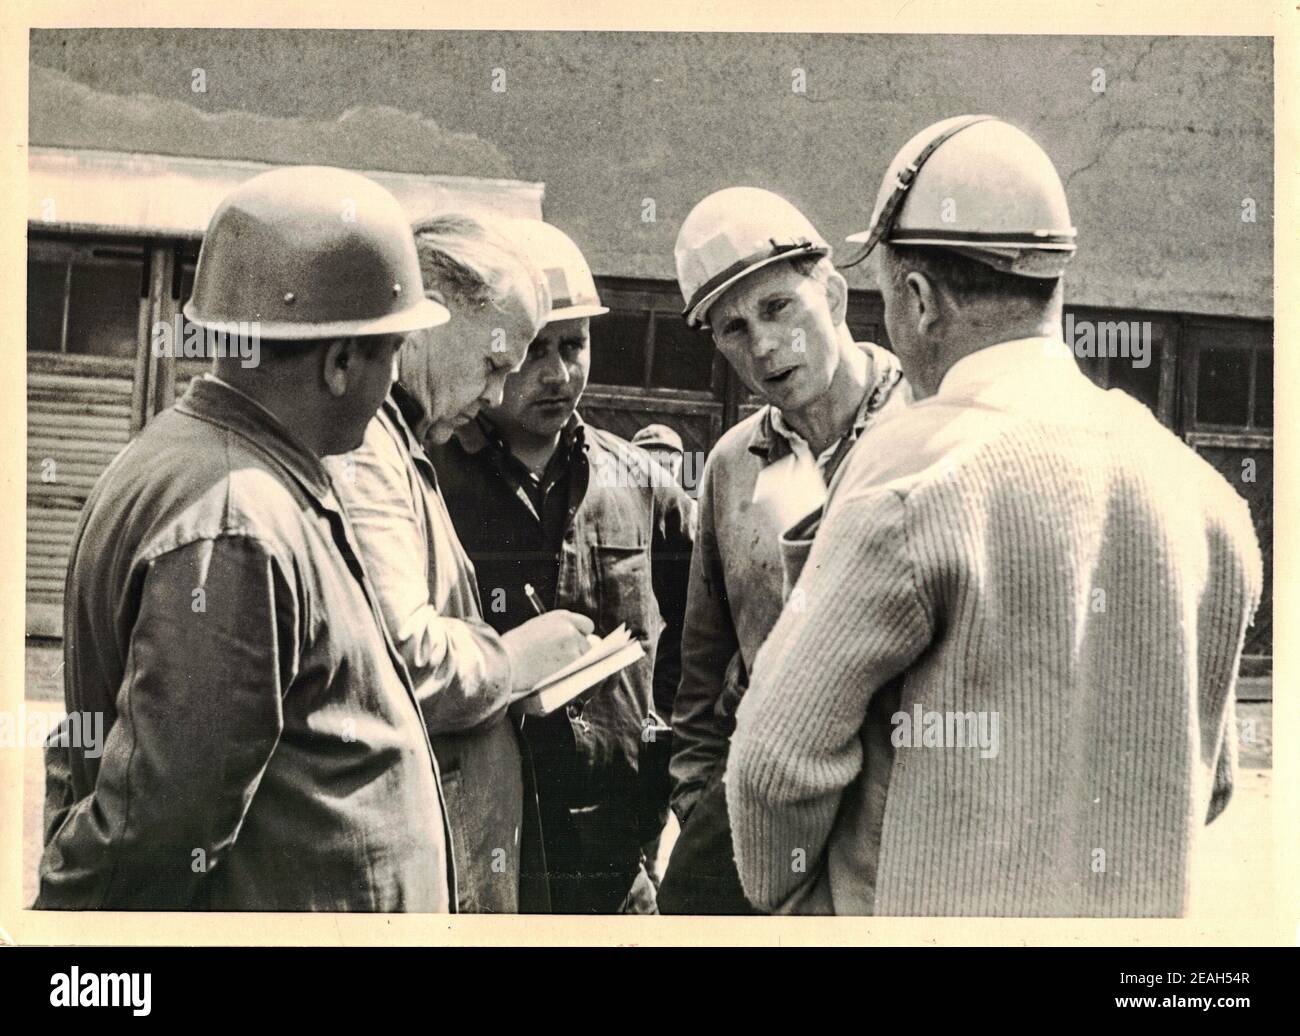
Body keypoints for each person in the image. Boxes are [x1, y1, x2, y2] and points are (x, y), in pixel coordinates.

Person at [725, 116, 1264, 917]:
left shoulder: (916, 473)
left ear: (917, 300)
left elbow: (773, 765)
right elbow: (1206, 780)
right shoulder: (1209, 500)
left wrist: (809, 903)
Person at [38, 166, 458, 910]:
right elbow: (159, 827)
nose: (393, 383)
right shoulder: (238, 518)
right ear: (338, 363)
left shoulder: (223, 466)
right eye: (390, 354)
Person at [323, 214, 594, 912]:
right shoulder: (369, 451)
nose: (498, 395)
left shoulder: (399, 441)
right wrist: (514, 660)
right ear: (426, 324)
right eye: (496, 364)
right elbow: (404, 659)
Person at [429, 219, 694, 914]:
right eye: (536, 350)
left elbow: (703, 644)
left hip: (619, 858)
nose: (558, 374)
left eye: (574, 346)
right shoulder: (431, 482)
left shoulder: (643, 484)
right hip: (486, 852)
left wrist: (663, 746)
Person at [658, 187, 910, 914]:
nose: (763, 346)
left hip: (890, 817)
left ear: (831, 293)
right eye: (733, 328)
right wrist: (698, 791)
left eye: (778, 308)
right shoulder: (735, 465)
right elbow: (701, 662)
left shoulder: (923, 430)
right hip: (761, 811)